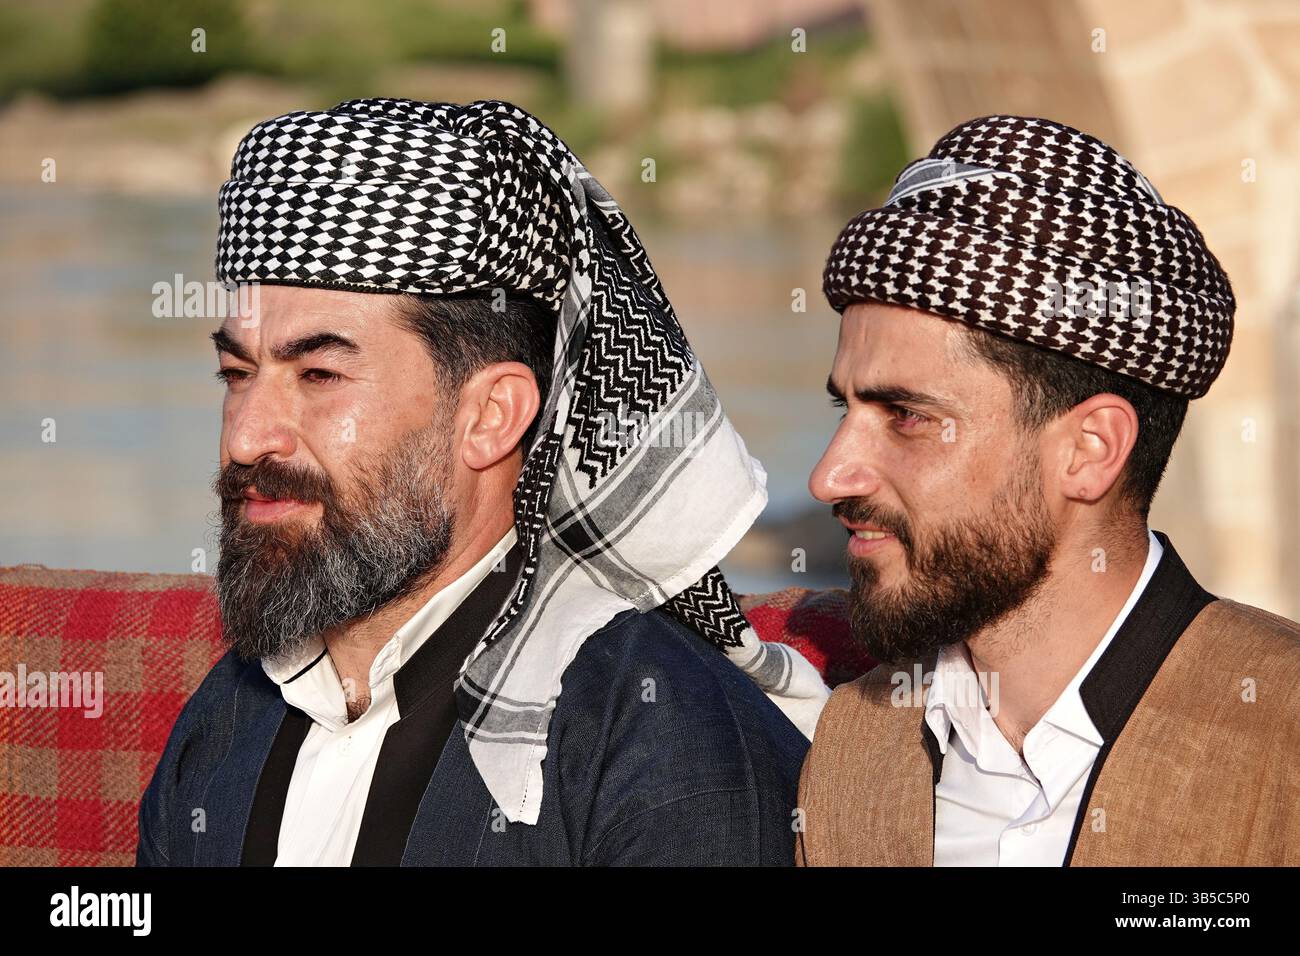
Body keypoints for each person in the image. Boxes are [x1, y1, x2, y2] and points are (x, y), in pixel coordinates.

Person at [137, 98, 818, 866]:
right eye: (236, 373)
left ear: (491, 416)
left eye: (319, 374)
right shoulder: (229, 721)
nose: (245, 437)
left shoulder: (660, 745)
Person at [796, 114, 1300, 866]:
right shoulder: (851, 748)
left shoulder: (1281, 742)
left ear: (1090, 451)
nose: (829, 476)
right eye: (846, 409)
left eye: (907, 416)